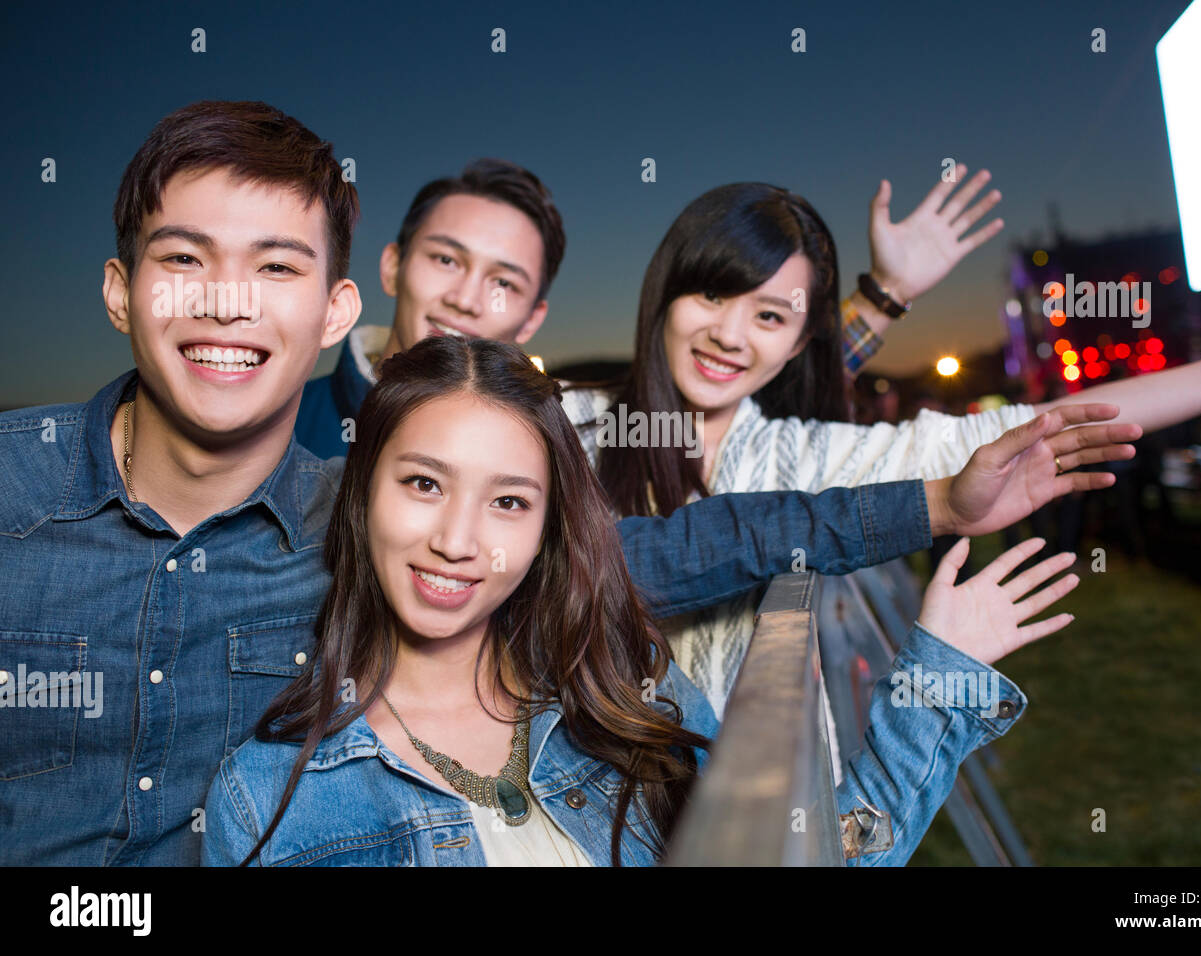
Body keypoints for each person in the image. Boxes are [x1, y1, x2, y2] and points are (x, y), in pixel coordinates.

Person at [0, 100, 1001, 866]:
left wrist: (937, 488)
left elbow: (701, 504)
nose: (227, 305)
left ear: (335, 304)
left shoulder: (379, 517)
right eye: (186, 259)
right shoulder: (33, 490)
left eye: (273, 269)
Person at [203, 336, 1100, 867]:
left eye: (510, 500)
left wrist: (938, 675)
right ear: (361, 496)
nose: (459, 541)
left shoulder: (631, 693)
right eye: (425, 485)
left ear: (552, 526)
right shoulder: (269, 802)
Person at [564, 181, 1201, 717]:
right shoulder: (564, 429)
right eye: (711, 296)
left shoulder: (810, 459)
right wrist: (884, 292)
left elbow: (1038, 422)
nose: (730, 334)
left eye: (769, 314)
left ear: (798, 342)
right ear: (664, 292)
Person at [292, 159, 1005, 460]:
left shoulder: (558, 430)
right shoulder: (285, 424)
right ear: (392, 265)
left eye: (504, 282)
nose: (466, 298)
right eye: (445, 260)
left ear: (534, 319)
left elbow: (735, 381)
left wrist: (884, 296)